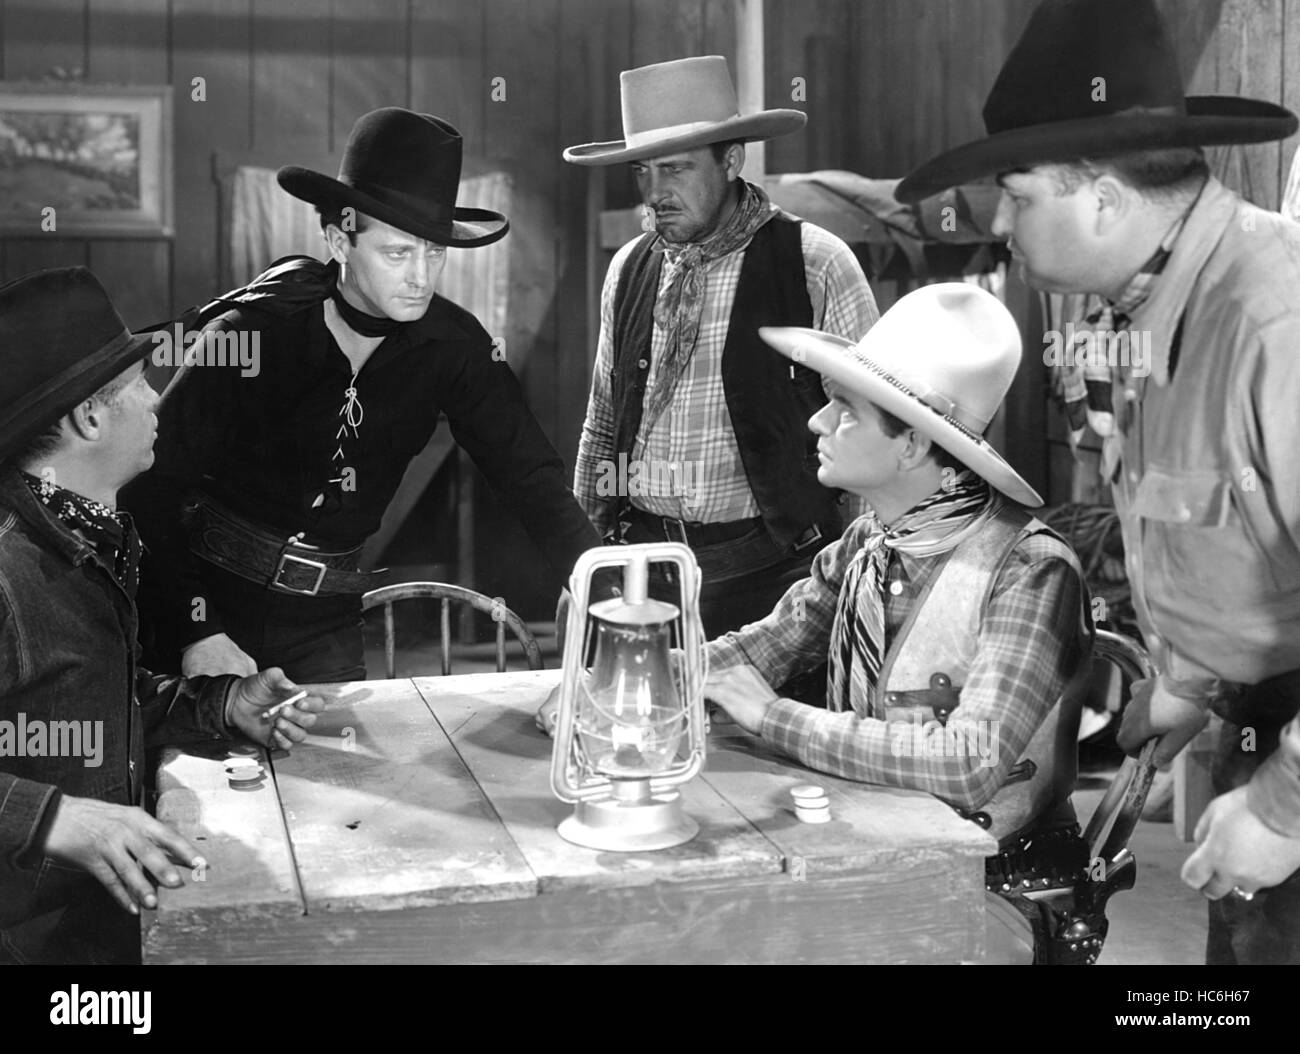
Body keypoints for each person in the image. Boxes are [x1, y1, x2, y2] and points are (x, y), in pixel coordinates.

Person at [896, 0, 1300, 964]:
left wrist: (1284, 812)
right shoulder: (1151, 311)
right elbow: (1236, 534)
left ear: (1106, 199)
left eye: (1018, 194)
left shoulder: (1271, 321)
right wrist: (1191, 686)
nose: (997, 223)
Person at [123, 107, 603, 682]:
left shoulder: (456, 347)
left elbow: (534, 483)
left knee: (339, 770)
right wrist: (195, 632)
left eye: (434, 252)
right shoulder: (252, 333)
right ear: (339, 239)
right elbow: (147, 487)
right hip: (206, 606)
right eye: (398, 253)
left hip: (324, 625)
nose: (421, 276)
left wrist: (609, 596)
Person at [702, 283, 1092, 962]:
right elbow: (757, 651)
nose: (817, 424)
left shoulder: (1029, 570)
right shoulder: (865, 546)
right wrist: (634, 681)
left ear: (911, 444)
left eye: (844, 409)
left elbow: (969, 767)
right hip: (874, 849)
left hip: (992, 884)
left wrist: (775, 718)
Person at [0, 267, 323, 964]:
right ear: (88, 417)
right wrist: (52, 817)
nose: (156, 401)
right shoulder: (6, 567)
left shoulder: (89, 533)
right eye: (139, 385)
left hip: (101, 933)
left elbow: (85, 712)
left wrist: (221, 705)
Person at [563, 56, 878, 641]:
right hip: (644, 572)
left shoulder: (814, 263)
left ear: (732, 160)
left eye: (676, 168)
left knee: (755, 733)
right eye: (643, 171)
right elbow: (603, 420)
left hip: (779, 578)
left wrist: (858, 585)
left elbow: (870, 428)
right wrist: (581, 561)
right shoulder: (631, 268)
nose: (655, 192)